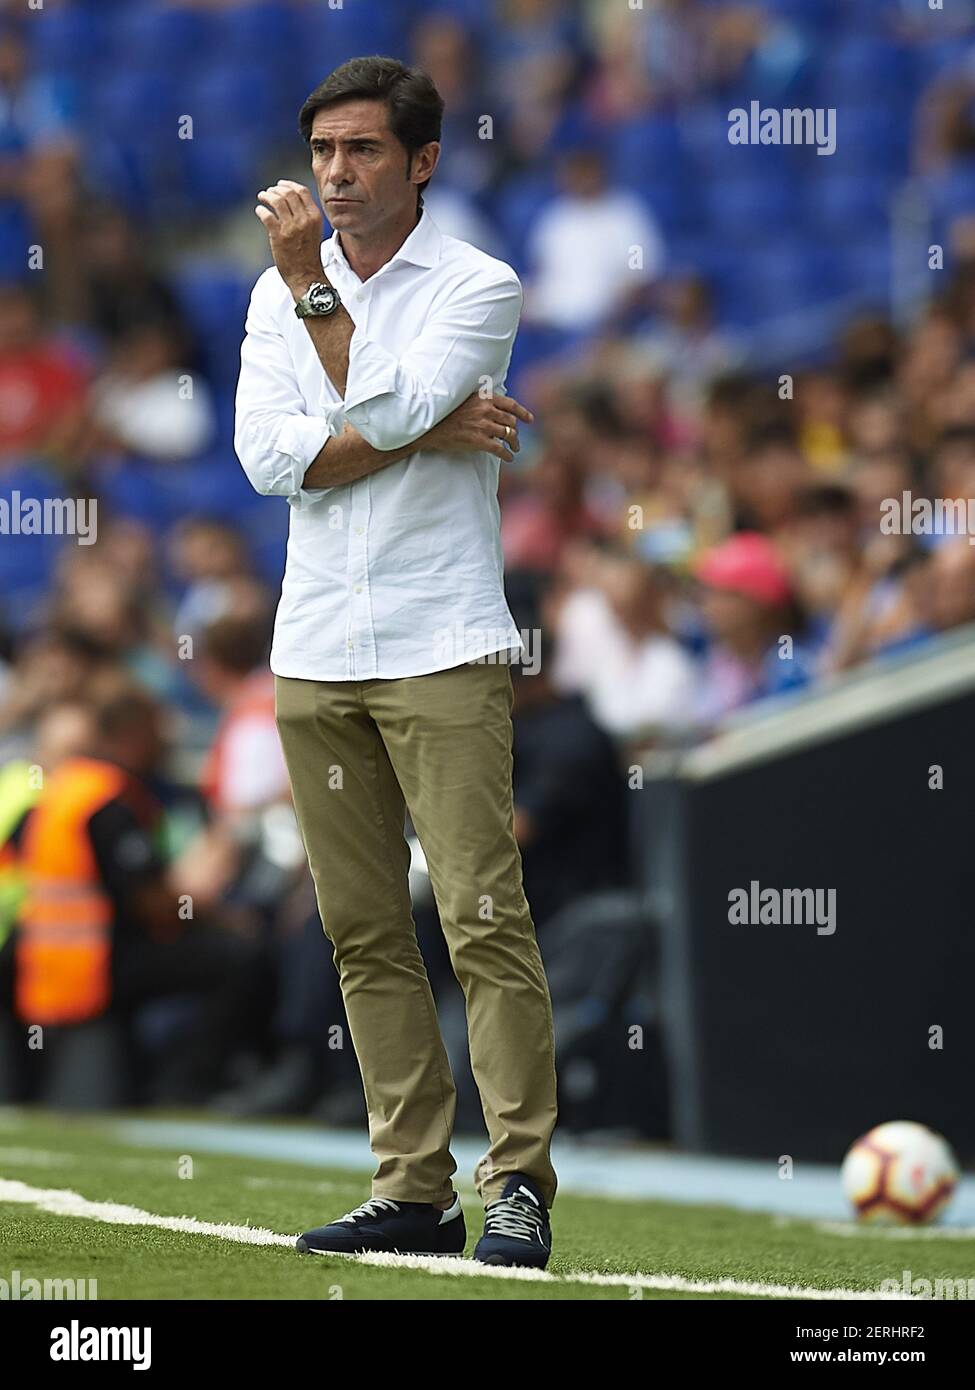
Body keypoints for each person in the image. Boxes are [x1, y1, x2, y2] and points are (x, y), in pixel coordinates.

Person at [234, 56, 558, 1269]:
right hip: (313, 645)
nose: (335, 175)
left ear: (423, 160)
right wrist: (415, 427)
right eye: (323, 153)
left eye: (362, 152)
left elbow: (377, 401)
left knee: (481, 912)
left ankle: (517, 1178)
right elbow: (271, 459)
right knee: (363, 928)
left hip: (441, 640)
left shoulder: (479, 282)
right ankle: (413, 1186)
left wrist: (323, 306)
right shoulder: (274, 295)